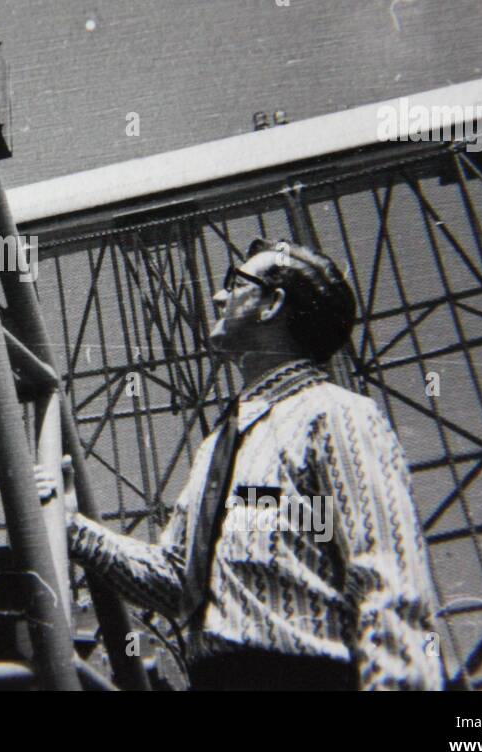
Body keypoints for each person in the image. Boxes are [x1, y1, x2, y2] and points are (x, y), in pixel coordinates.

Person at [38, 238, 443, 690]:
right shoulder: (218, 447)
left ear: (273, 305)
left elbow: (388, 581)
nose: (216, 295)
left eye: (236, 283)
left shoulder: (336, 415)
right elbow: (177, 582)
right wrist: (73, 528)